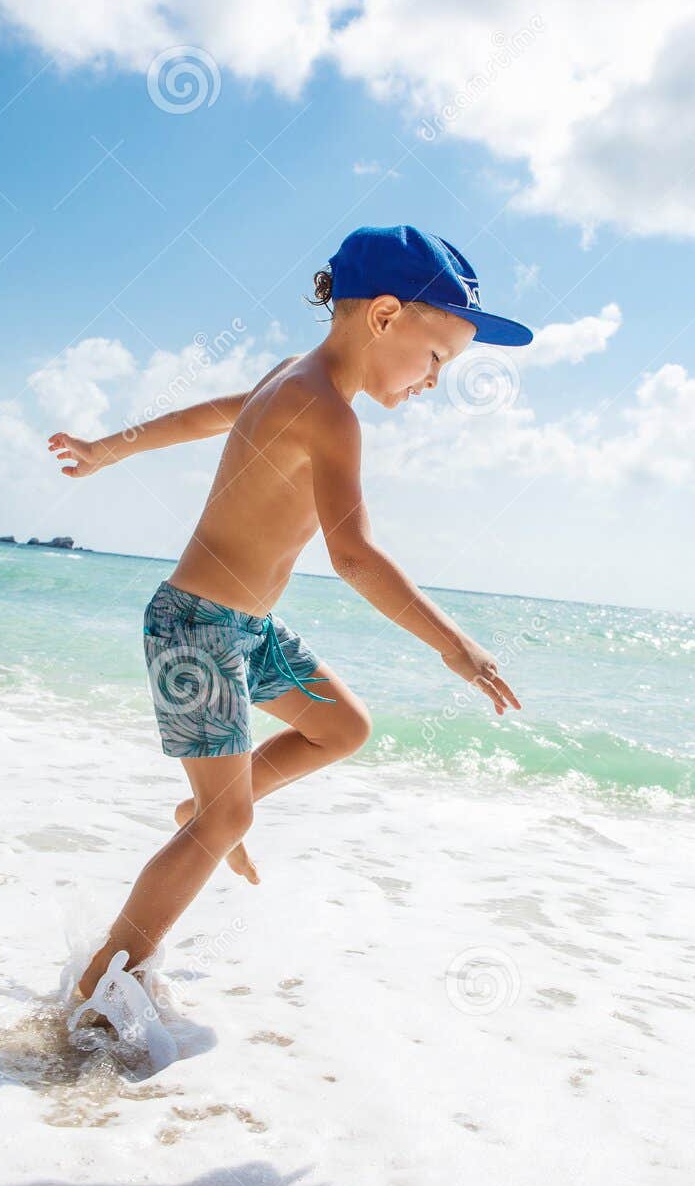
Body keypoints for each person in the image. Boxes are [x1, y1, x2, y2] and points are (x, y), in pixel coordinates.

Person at [48, 225, 532, 1048]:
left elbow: (205, 416)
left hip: (244, 628)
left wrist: (109, 449)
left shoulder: (294, 382)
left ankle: (207, 807)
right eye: (436, 361)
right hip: (197, 629)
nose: (433, 384)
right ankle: (97, 995)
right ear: (384, 317)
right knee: (225, 822)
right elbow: (353, 554)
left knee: (340, 726)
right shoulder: (326, 412)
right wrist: (454, 645)